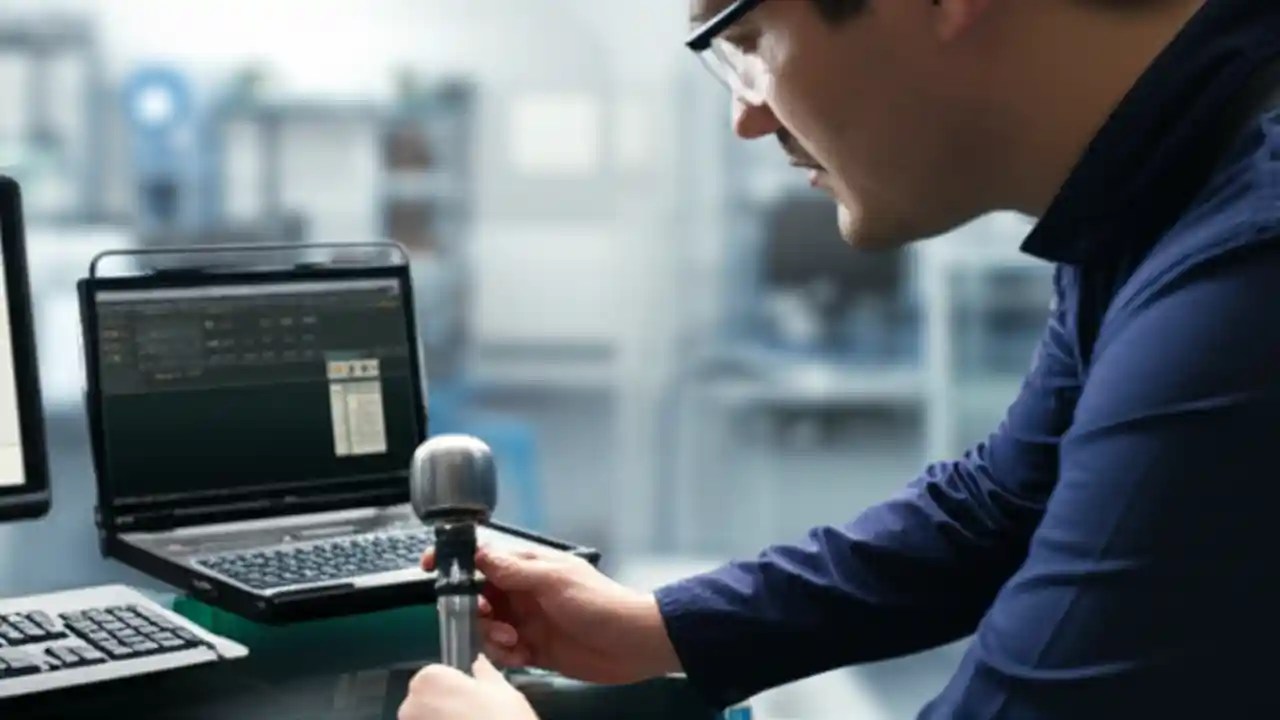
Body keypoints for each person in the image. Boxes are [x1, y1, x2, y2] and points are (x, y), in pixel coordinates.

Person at [397, 0, 1280, 717]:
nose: (747, 116)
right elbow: (1001, 506)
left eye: (750, 41)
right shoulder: (1166, 185)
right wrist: (663, 627)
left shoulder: (1249, 274)